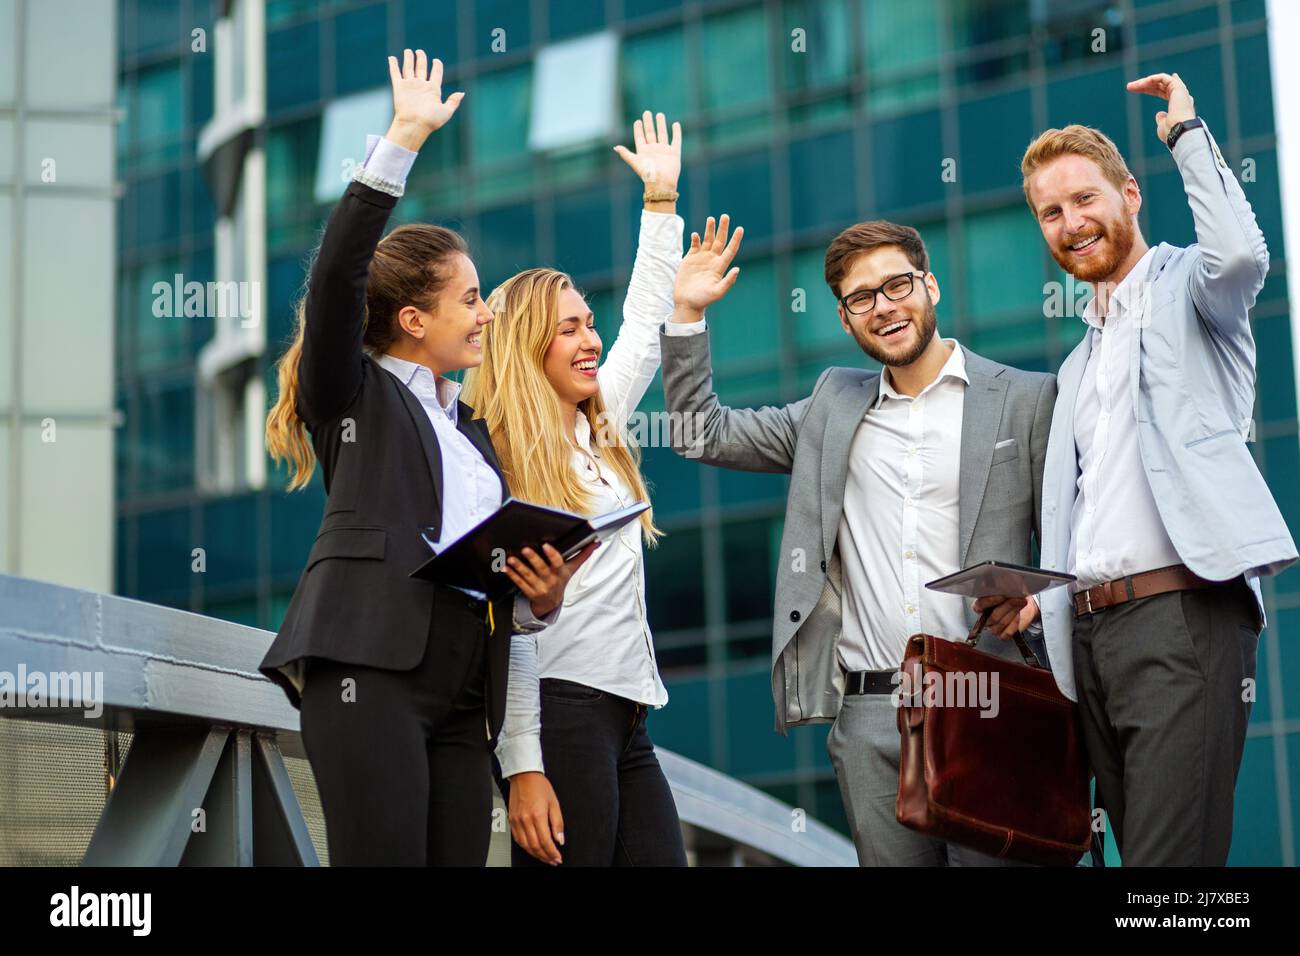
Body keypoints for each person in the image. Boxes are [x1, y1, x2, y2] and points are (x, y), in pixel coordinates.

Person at [259, 49, 593, 866]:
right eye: (471, 299)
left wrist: (540, 595)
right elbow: (338, 277)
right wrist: (402, 140)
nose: (486, 315)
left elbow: (495, 577)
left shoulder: (473, 432)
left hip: (462, 693)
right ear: (413, 320)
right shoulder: (354, 397)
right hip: (369, 671)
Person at [658, 216, 1056, 865]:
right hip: (872, 711)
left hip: (988, 697)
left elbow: (1074, 532)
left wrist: (1039, 603)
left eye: (897, 285)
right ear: (845, 320)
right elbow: (698, 433)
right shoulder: (829, 407)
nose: (884, 306)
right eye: (862, 298)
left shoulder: (1026, 399)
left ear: (930, 286)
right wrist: (687, 311)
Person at [992, 72, 1296, 865]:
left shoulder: (1193, 295)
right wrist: (1045, 597)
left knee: (1171, 874)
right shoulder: (1074, 366)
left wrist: (1186, 136)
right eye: (1050, 213)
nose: (1071, 223)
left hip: (1183, 616)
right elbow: (1094, 505)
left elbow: (1239, 254)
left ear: (1129, 194)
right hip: (1089, 639)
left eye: (1086, 199)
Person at [463, 112, 691, 867]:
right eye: (568, 329)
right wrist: (524, 764)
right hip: (559, 711)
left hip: (628, 715)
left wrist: (660, 205)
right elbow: (511, 630)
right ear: (529, 344)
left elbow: (646, 320)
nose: (590, 340)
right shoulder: (495, 459)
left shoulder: (601, 429)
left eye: (588, 324)